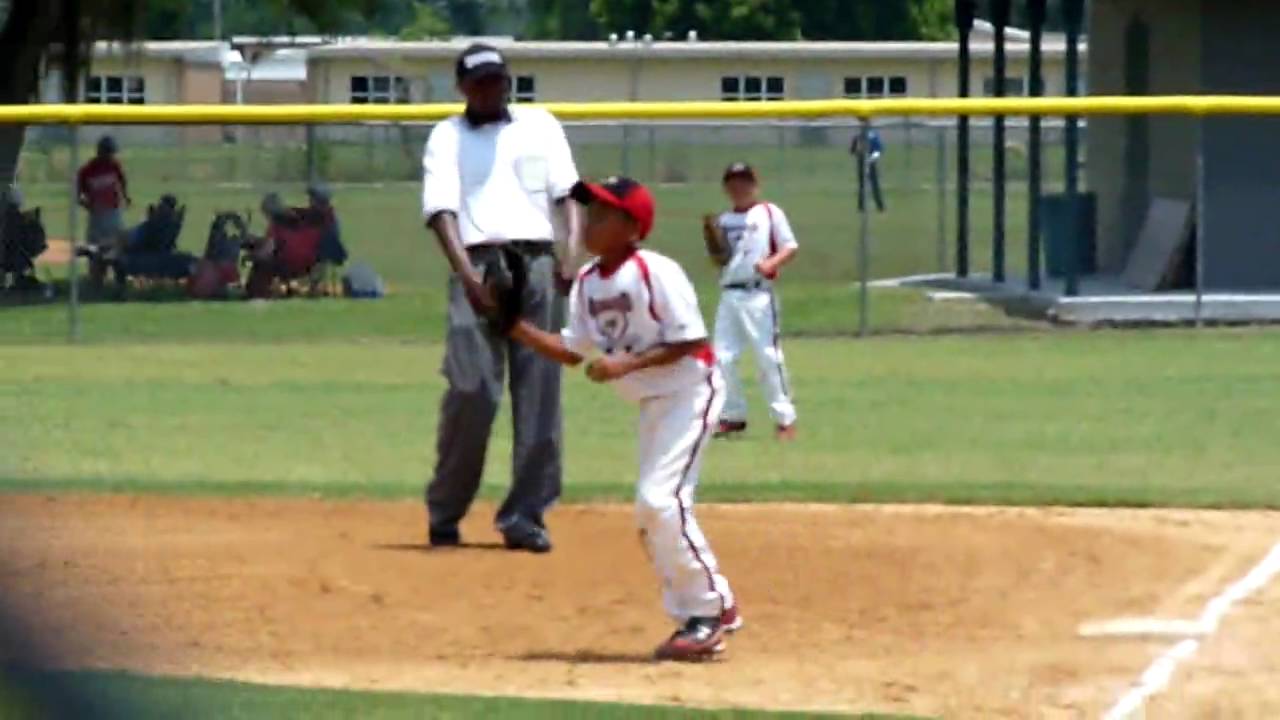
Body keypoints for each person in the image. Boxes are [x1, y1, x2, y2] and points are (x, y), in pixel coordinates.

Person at [503, 176, 741, 660]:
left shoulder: (656, 271)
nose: (591, 221)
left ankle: (708, 614)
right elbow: (572, 350)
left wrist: (625, 365)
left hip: (690, 392)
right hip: (654, 403)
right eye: (590, 212)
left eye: (605, 214)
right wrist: (512, 327)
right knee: (652, 512)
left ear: (634, 227)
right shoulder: (589, 281)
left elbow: (691, 339)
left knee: (660, 501)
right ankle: (710, 610)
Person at [420, 43, 582, 553]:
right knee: (471, 389)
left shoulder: (541, 125)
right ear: (462, 87)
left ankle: (525, 515)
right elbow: (441, 209)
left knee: (539, 395)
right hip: (479, 263)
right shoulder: (447, 135)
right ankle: (446, 509)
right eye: (480, 81)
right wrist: (467, 276)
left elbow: (567, 194)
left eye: (498, 79)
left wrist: (571, 252)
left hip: (536, 262)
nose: (491, 88)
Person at [702, 162, 799, 441]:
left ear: (756, 184)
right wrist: (715, 251)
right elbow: (721, 261)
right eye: (733, 182)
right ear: (725, 187)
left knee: (768, 356)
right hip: (730, 294)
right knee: (721, 357)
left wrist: (771, 262)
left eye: (745, 181)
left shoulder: (769, 212)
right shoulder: (723, 220)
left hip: (758, 294)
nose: (739, 187)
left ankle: (785, 419)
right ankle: (733, 416)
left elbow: (790, 246)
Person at [76, 135, 132, 285]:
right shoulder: (87, 171)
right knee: (95, 250)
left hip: (114, 213)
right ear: (100, 152)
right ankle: (97, 281)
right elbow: (77, 195)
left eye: (111, 153)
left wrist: (126, 197)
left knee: (116, 248)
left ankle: (119, 281)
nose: (110, 156)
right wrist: (89, 206)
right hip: (97, 217)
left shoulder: (114, 166)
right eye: (108, 152)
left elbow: (122, 182)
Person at [849, 127, 886, 212]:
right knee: (862, 185)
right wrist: (857, 151)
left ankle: (880, 206)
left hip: (871, 162)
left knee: (874, 185)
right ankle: (861, 207)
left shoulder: (872, 135)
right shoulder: (858, 136)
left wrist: (871, 159)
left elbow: (878, 149)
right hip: (861, 162)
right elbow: (852, 150)